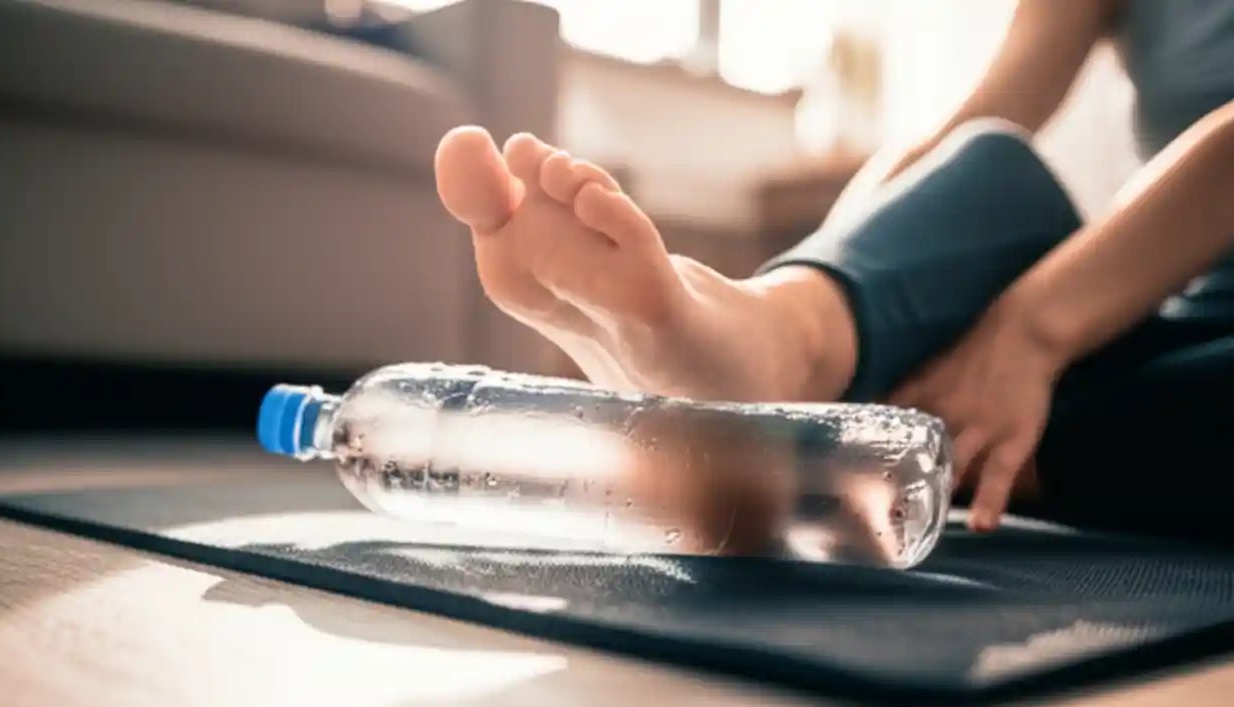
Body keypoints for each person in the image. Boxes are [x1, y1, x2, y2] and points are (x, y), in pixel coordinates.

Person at [431, 0, 1234, 538]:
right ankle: (779, 346)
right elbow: (987, 110)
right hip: (1166, 302)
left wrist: (1031, 329)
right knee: (993, 169)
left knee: (991, 425)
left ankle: (814, 429)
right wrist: (819, 279)